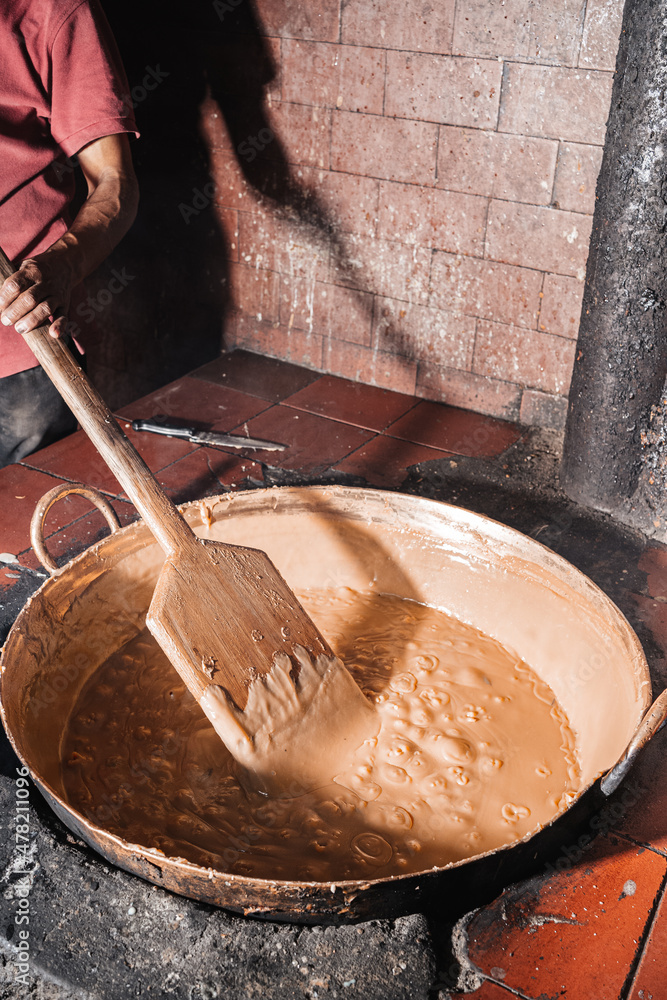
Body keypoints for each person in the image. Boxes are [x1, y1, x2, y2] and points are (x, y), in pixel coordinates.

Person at [0, 0, 139, 467]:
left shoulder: (54, 9)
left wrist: (61, 266)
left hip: (18, 342)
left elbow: (115, 184)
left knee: (24, 521)